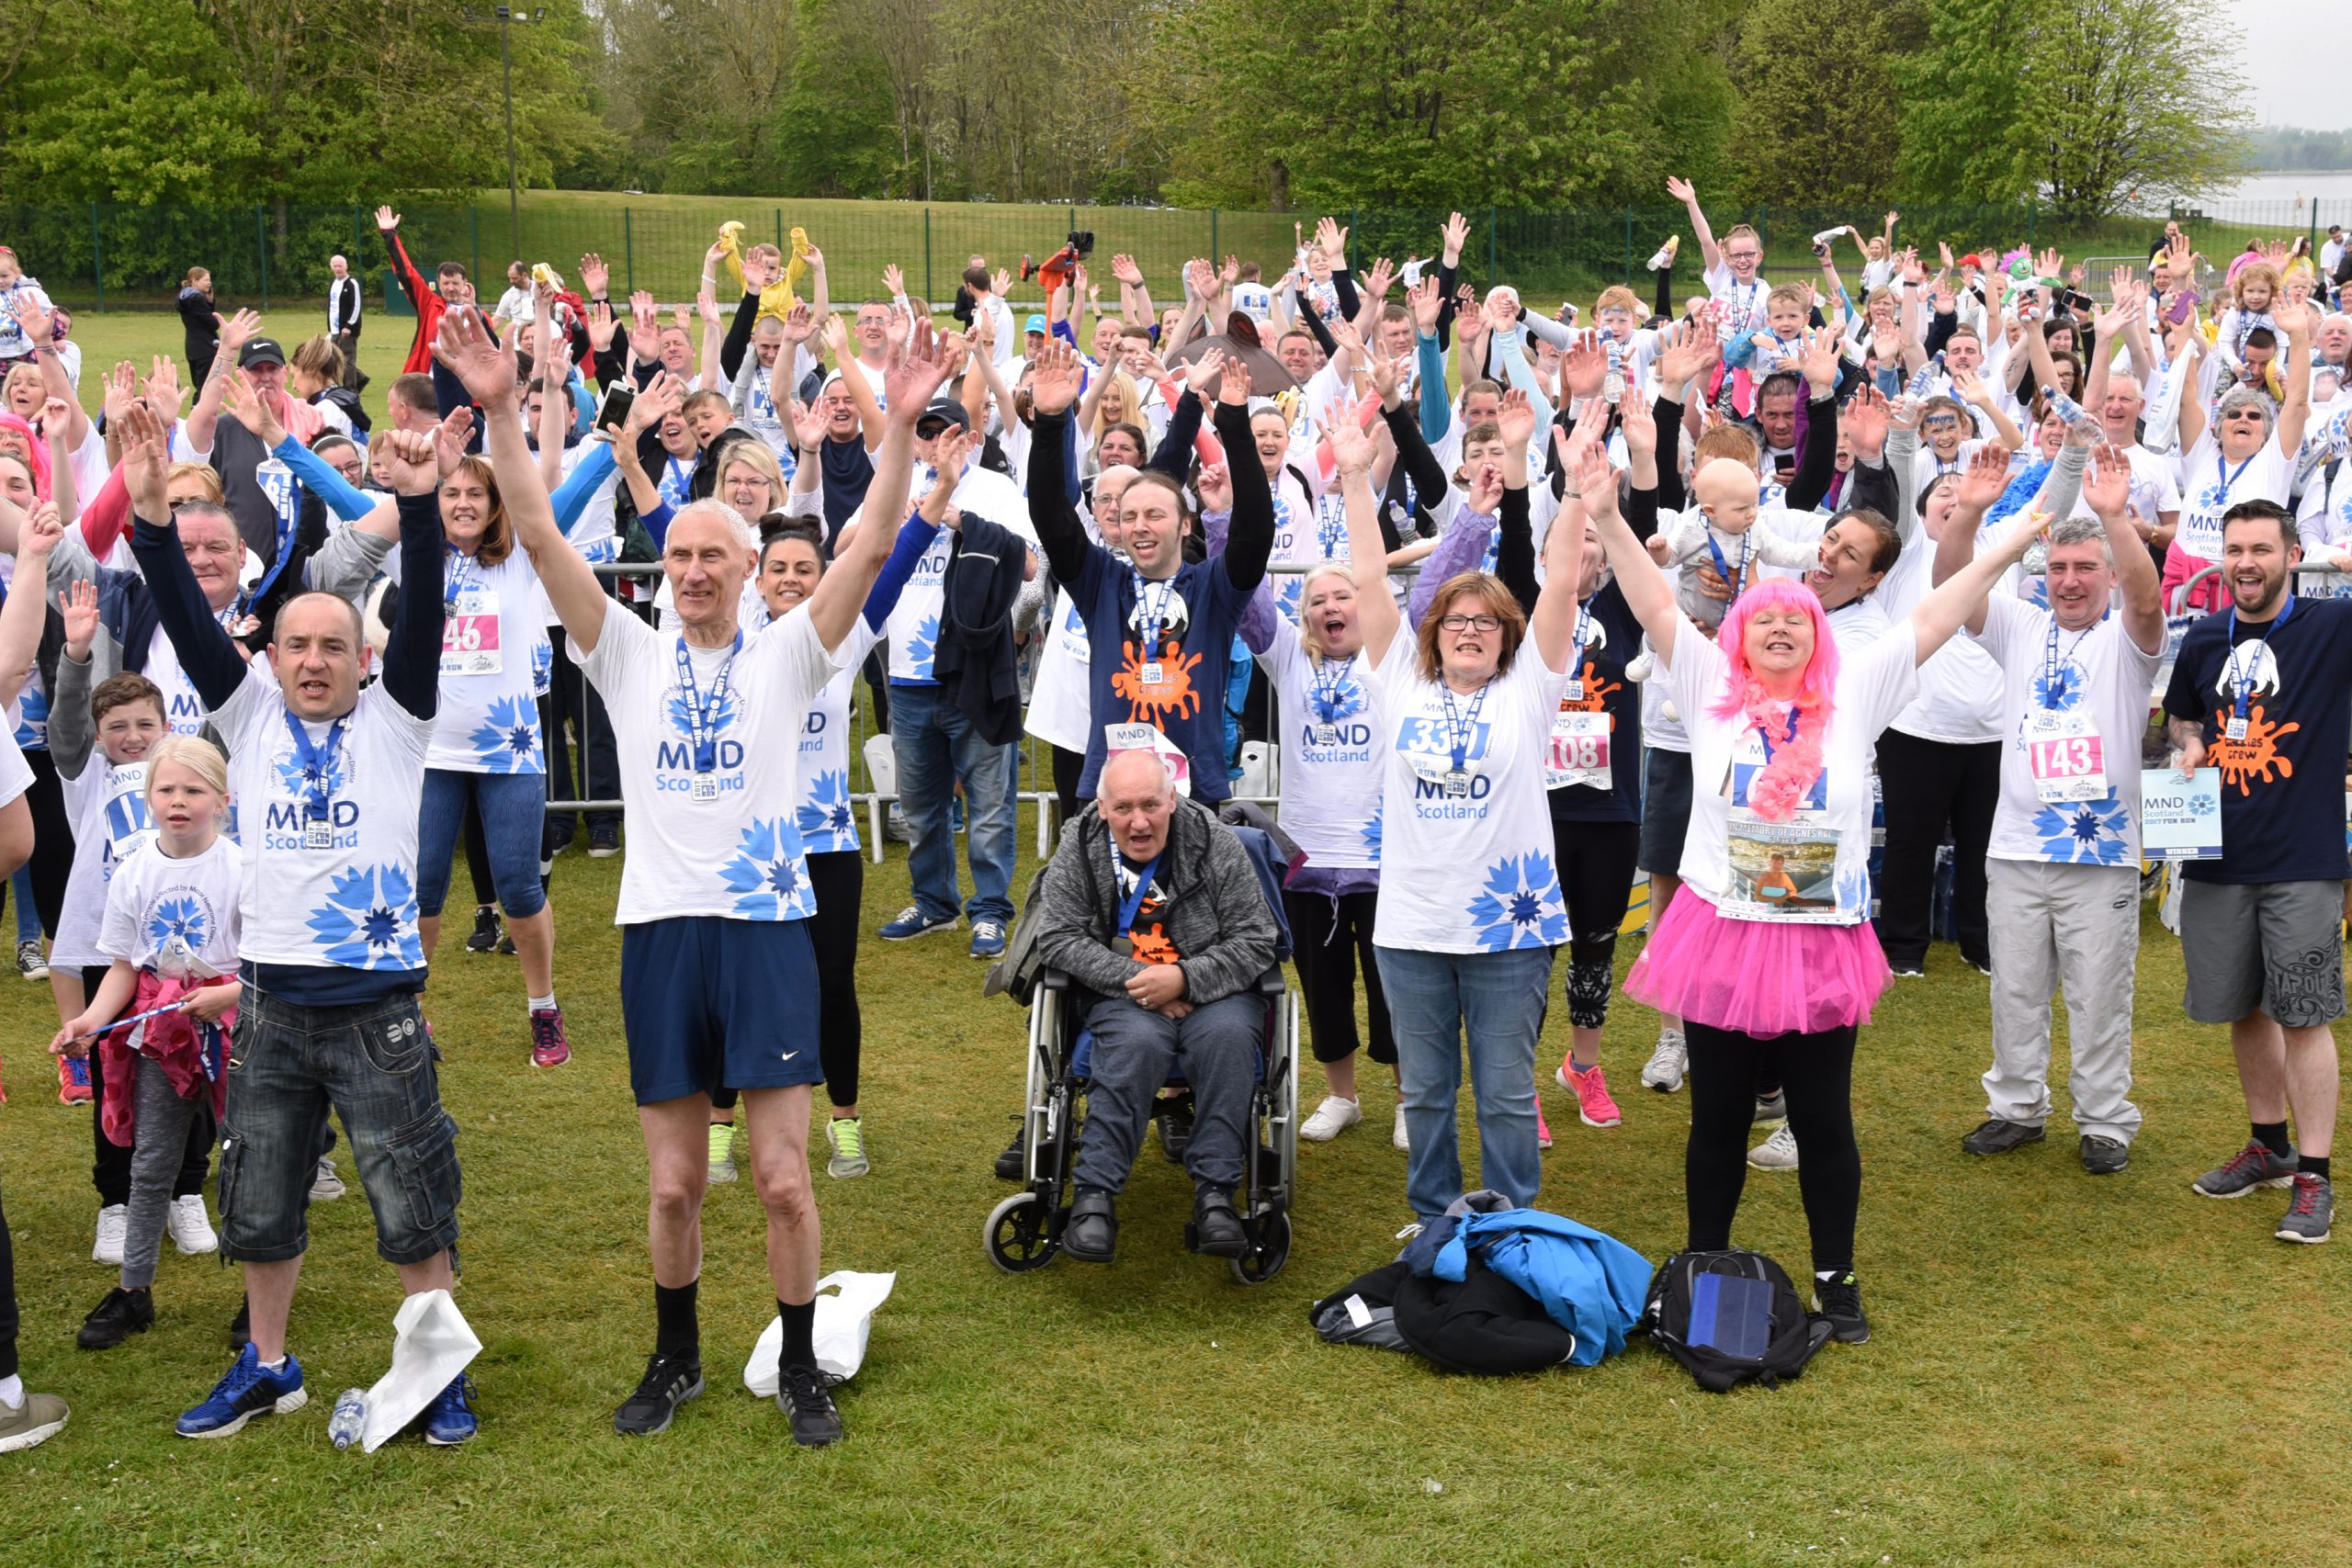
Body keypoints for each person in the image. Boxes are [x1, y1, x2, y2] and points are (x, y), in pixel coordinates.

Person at [442, 302, 947, 1445]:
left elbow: (871, 544)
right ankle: (675, 1358)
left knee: (781, 1179)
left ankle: (802, 1363)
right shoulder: (624, 651)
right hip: (662, 930)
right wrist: (502, 412)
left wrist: (903, 428)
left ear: (749, 564)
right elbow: (538, 534)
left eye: (714, 554)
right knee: (672, 1186)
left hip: (767, 929)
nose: (694, 570)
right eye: (678, 555)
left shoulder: (789, 654)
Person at [1589, 425, 2049, 1345]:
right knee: (1718, 1118)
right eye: (1763, 617)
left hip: (1819, 940)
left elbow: (1938, 612)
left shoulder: (1857, 693)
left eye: (1796, 616)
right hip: (1722, 932)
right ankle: (1706, 1262)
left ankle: (1836, 1281)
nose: (1780, 625)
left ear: (1818, 633)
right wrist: (1603, 515)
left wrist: (2009, 542)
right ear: (1738, 635)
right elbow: (1652, 600)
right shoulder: (1709, 685)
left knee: (1824, 1120)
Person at [119, 398, 475, 1445]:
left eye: (334, 646)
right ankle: (269, 1367)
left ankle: (437, 1371)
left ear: (364, 658)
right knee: (261, 1200)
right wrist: (149, 519)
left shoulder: (400, 718)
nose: (315, 660)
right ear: (269, 659)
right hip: (269, 1006)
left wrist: (419, 502)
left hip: (377, 1010)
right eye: (297, 646)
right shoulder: (248, 715)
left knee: (412, 1197)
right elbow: (185, 614)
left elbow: (426, 605)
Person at [1358, 384, 1588, 1224]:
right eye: (1454, 619)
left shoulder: (1530, 687)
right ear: (1434, 630)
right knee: (1425, 1092)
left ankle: (1512, 1221)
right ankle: (1434, 1218)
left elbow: (1560, 586)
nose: (1467, 630)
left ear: (1506, 636)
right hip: (1412, 924)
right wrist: (1349, 477)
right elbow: (1369, 580)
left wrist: (1565, 482)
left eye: (1485, 623)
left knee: (1504, 1092)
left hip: (1508, 929)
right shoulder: (1400, 679)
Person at [1936, 445, 2164, 1174]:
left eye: (2086, 568)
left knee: (2099, 994)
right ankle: (2016, 1108)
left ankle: (2104, 1120)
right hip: (2016, 846)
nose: (2069, 580)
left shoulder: (2129, 640)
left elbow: (2148, 600)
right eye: (2059, 567)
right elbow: (1952, 586)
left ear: (2108, 576)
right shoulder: (2022, 626)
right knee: (2016, 988)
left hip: (2100, 852)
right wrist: (1971, 512)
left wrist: (2113, 517)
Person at [2164, 498, 2352, 1245]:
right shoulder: (2206, 635)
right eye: (2235, 549)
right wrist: (2188, 742)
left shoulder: (2332, 627)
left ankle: (2315, 1175)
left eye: (2262, 549)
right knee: (2244, 1006)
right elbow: (2183, 712)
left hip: (2302, 858)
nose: (2245, 563)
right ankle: (2269, 1144)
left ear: (2293, 556)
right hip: (2217, 855)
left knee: (2304, 1013)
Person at [1028, 748, 1281, 1263]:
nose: (1138, 822)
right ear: (1102, 808)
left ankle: (1216, 1192)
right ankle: (1095, 1196)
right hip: (1124, 992)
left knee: (1227, 1039)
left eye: (1150, 805)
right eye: (1123, 808)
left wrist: (1185, 979)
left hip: (1217, 991)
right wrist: (1145, 983)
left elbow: (1257, 939)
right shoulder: (1080, 844)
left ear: (1172, 801)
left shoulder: (1216, 842)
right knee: (1136, 1043)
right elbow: (1057, 938)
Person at [56, 733, 243, 1351]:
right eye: (166, 789)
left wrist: (224, 996)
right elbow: (124, 966)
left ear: (222, 800)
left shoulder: (242, 868)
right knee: (152, 1159)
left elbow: (264, 966)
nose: (178, 801)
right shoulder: (134, 871)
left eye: (194, 790)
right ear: (148, 799)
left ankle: (258, 1291)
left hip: (235, 1030)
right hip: (162, 1034)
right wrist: (89, 1020)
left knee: (249, 1157)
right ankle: (134, 1289)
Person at [1025, 342, 1272, 804]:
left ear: (1185, 525)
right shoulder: (1102, 583)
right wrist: (1050, 422)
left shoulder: (1212, 589)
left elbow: (1254, 535)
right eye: (1129, 516)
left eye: (1154, 514)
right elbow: (1050, 518)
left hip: (1192, 789)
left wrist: (1236, 426)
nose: (1139, 526)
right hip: (1112, 787)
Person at [868, 395, 1033, 960]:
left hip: (975, 668)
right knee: (920, 805)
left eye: (949, 431)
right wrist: (903, 522)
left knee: (989, 804)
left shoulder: (995, 488)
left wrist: (964, 520)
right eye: (926, 431)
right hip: (908, 676)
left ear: (970, 437)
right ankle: (933, 903)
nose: (936, 442)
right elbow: (847, 546)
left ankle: (990, 912)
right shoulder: (894, 483)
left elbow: (1030, 565)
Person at [177, 268, 223, 389]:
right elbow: (213, 324)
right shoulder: (198, 299)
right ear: (194, 281)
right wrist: (210, 303)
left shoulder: (183, 297)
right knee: (206, 388)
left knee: (199, 385)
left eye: (210, 280)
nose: (209, 283)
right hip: (206, 347)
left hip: (192, 348)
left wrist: (209, 302)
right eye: (206, 280)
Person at [327, 254, 365, 392]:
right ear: (331, 267)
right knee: (333, 359)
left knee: (347, 359)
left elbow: (356, 306)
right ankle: (359, 378)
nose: (338, 269)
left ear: (346, 267)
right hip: (334, 329)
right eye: (335, 266)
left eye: (340, 266)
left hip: (346, 330)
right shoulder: (333, 283)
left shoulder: (351, 283)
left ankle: (350, 390)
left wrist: (349, 326)